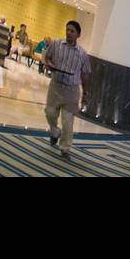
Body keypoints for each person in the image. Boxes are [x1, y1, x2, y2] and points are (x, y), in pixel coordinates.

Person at [42, 20, 91, 160]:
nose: (68, 33)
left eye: (72, 31)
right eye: (67, 29)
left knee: (68, 121)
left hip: (72, 91)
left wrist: (85, 93)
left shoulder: (82, 54)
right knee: (50, 113)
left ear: (78, 35)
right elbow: (47, 58)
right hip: (55, 86)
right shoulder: (56, 44)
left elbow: (86, 74)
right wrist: (50, 65)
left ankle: (65, 148)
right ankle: (55, 132)